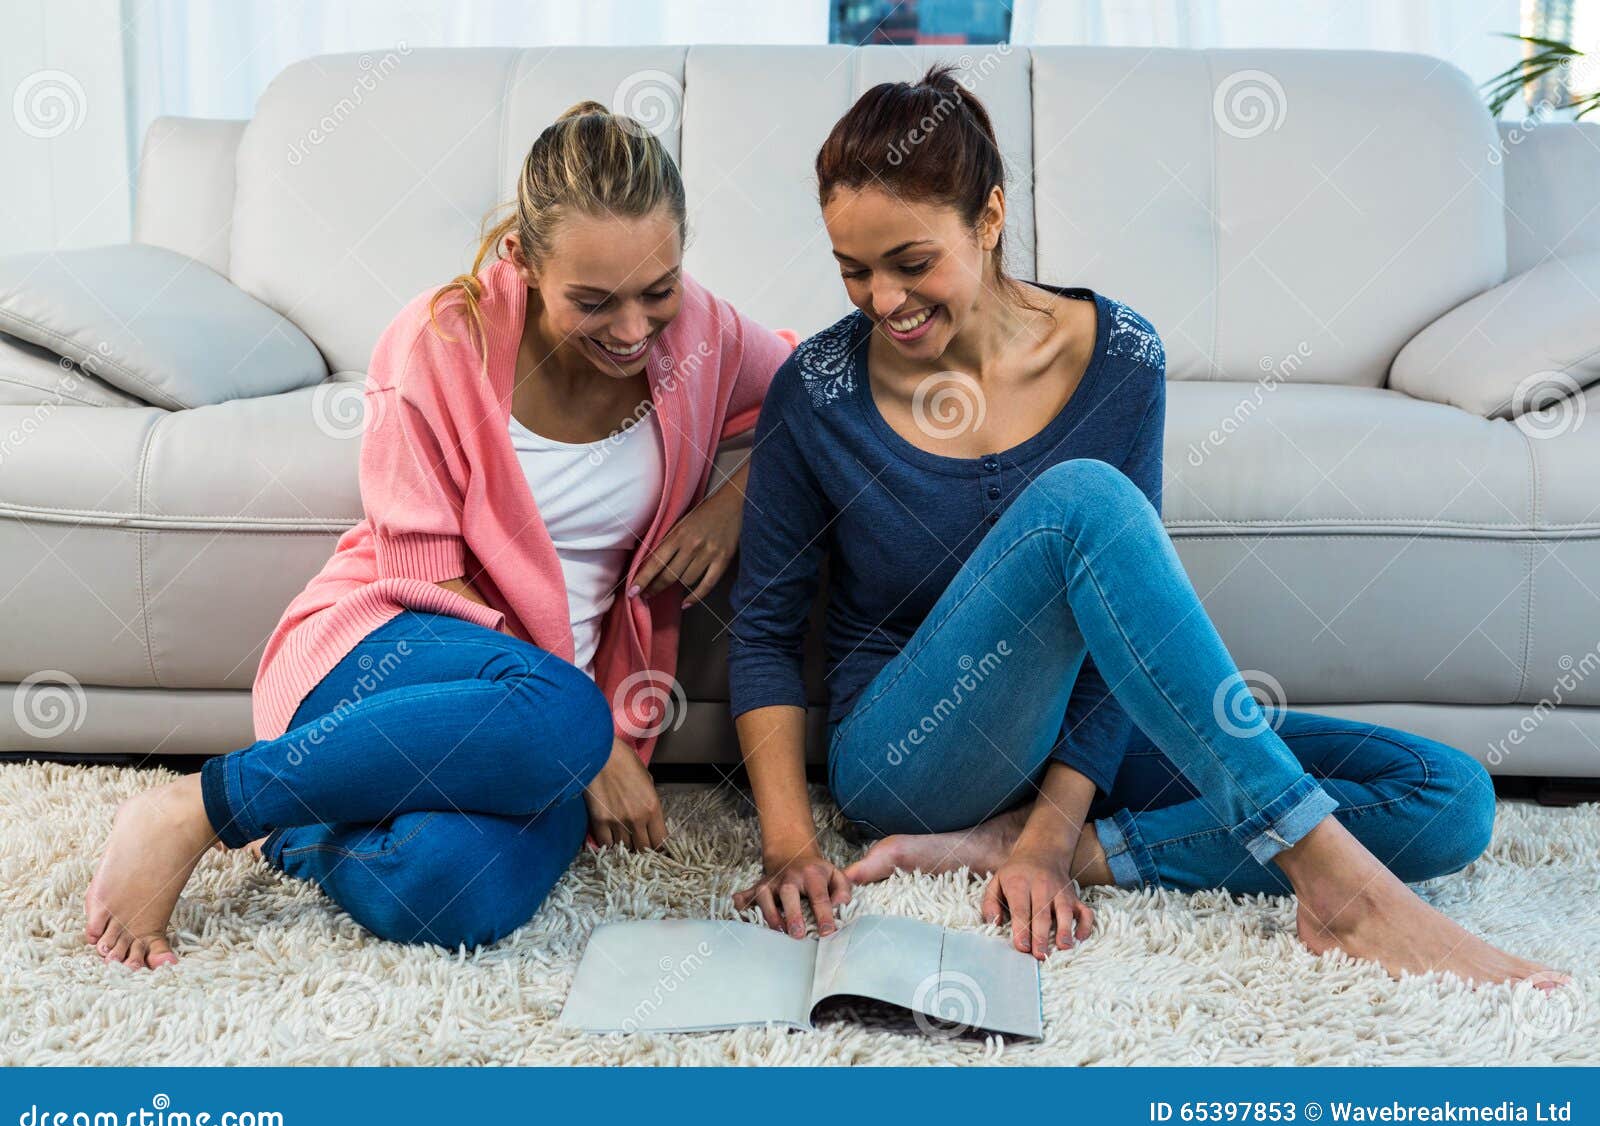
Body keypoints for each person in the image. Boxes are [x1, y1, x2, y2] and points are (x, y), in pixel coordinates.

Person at [726, 65, 1568, 991]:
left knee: (1448, 800)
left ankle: (1088, 848)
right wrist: (789, 845)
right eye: (854, 270)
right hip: (909, 754)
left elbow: (1119, 632)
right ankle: (1340, 892)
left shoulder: (1120, 356)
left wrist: (1050, 840)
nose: (883, 300)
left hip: (1085, 749)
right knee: (1083, 500)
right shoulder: (820, 388)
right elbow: (764, 635)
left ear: (992, 215)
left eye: (912, 263)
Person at [83, 100, 795, 968]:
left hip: (530, 732)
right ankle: (199, 807)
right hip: (384, 661)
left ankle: (302, 833)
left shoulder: (704, 334)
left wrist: (733, 504)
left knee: (455, 886)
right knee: (566, 713)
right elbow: (425, 579)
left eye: (658, 290)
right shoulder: (439, 339)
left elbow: (822, 385)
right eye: (594, 301)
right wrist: (592, 737)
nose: (635, 330)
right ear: (523, 261)